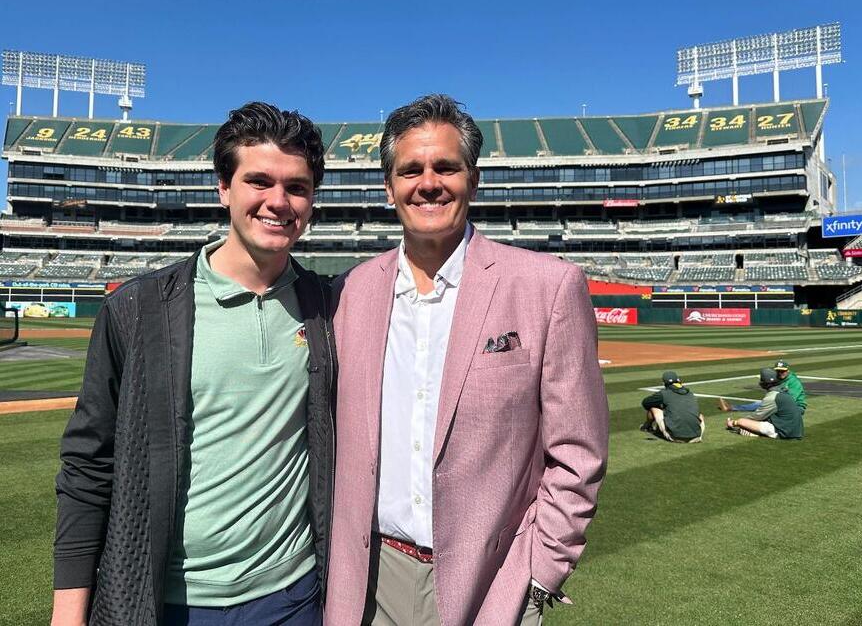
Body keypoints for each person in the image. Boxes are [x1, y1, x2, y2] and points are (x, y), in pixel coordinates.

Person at [326, 94, 609, 626]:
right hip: (368, 579)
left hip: (491, 581)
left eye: (445, 167)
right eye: (410, 170)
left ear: (472, 181)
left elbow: (579, 451)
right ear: (390, 188)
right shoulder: (352, 292)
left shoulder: (547, 286)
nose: (427, 182)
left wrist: (539, 572)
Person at [51, 103, 335, 626]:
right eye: (259, 181)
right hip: (167, 602)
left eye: (296, 186)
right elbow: (88, 468)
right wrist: (67, 617)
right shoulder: (138, 310)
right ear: (223, 188)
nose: (279, 201)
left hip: (292, 596)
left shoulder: (328, 308)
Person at [725, 368, 803, 439]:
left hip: (784, 432)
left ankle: (754, 433)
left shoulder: (772, 396)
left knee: (742, 421)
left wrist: (735, 422)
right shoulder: (782, 391)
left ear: (765, 383)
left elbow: (757, 416)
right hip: (796, 431)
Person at [718, 359, 806, 414]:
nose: (780, 373)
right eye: (778, 371)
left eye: (782, 371)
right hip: (782, 404)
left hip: (797, 407)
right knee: (761, 404)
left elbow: (790, 400)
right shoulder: (777, 379)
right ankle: (731, 408)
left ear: (787, 370)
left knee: (763, 405)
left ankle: (732, 409)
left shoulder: (794, 382)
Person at [639, 371, 704, 443]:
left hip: (675, 437)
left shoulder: (664, 393)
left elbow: (645, 403)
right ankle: (697, 435)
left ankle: (647, 427)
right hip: (696, 437)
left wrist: (662, 406)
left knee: (654, 408)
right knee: (699, 414)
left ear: (664, 383)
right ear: (678, 381)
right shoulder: (690, 394)